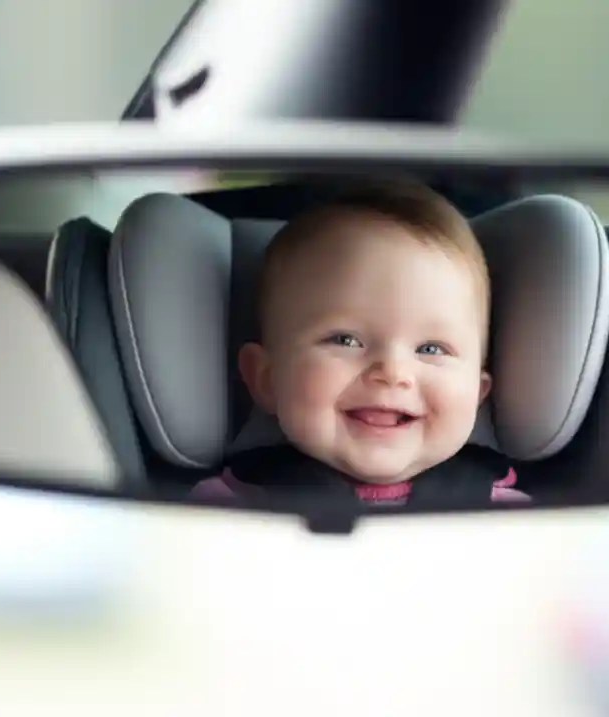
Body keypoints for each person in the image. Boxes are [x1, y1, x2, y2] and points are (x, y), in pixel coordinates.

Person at [190, 180, 528, 507]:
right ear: (265, 380)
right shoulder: (218, 513)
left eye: (431, 349)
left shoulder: (516, 526)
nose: (392, 372)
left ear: (478, 394)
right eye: (345, 340)